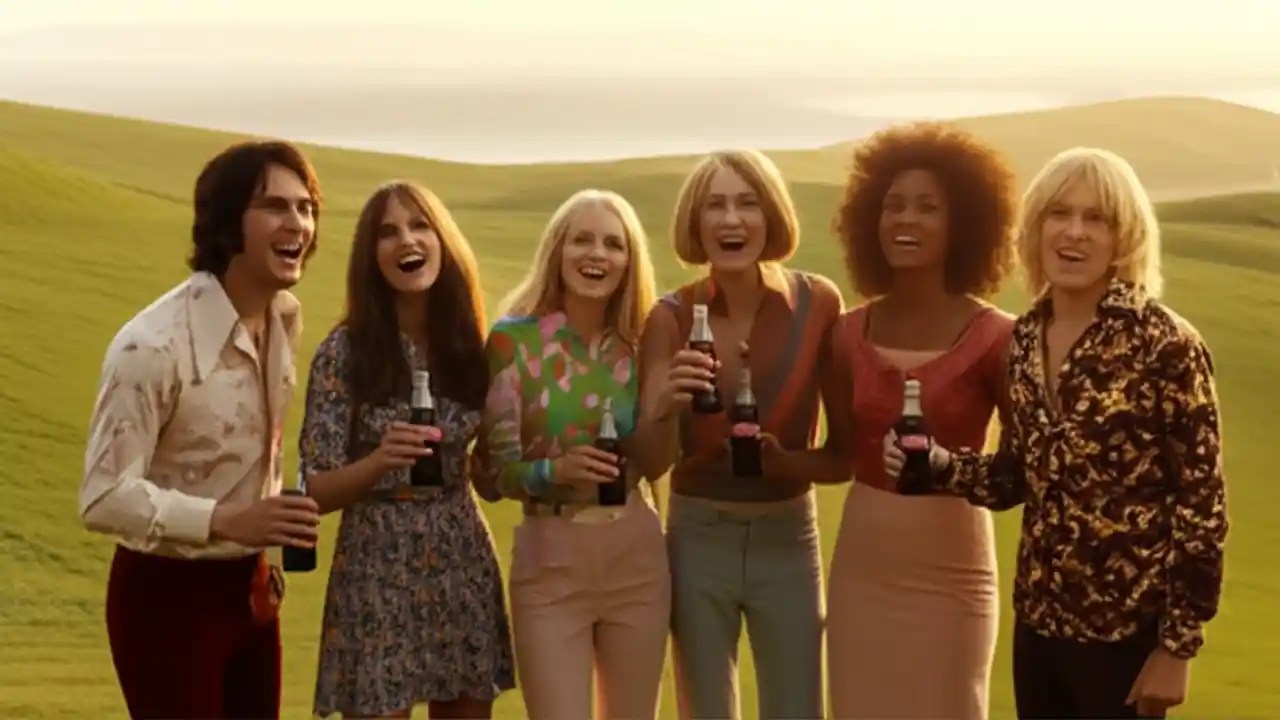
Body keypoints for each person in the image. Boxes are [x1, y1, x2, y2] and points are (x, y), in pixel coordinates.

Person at [883, 146, 1229, 719]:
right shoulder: (1023, 340)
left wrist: (1177, 647)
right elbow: (1018, 476)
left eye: (1097, 219)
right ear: (1035, 227)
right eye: (1059, 214)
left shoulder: (1165, 344)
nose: (1074, 233)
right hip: (1039, 628)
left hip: (1127, 640)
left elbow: (1202, 506)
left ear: (1126, 237)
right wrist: (940, 463)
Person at [79, 140, 325, 719]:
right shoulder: (150, 347)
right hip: (167, 598)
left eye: (305, 206)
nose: (298, 223)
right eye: (274, 206)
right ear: (225, 222)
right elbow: (102, 496)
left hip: (254, 591)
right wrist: (226, 519)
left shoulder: (284, 316)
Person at [821, 121, 1020, 719]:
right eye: (892, 206)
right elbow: (837, 455)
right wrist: (762, 459)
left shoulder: (998, 338)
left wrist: (944, 466)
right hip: (862, 572)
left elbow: (1019, 470)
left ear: (963, 223)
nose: (905, 220)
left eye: (927, 207)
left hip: (953, 575)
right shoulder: (847, 333)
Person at [638, 149, 845, 720]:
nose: (732, 220)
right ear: (695, 224)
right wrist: (659, 408)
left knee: (798, 708)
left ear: (771, 214)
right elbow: (650, 463)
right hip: (697, 535)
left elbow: (843, 457)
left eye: (748, 203)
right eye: (716, 206)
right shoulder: (670, 317)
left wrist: (785, 464)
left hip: (788, 537)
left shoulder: (819, 303)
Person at [298, 181, 516, 719]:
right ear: (370, 258)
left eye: (420, 226)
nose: (406, 241)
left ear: (443, 241)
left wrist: (494, 471)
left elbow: (486, 480)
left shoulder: (469, 345)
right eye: (388, 232)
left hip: (460, 554)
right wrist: (379, 462)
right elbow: (317, 490)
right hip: (377, 565)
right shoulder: (344, 352)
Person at [474, 189, 677, 720]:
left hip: (636, 557)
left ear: (629, 261)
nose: (597, 254)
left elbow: (657, 459)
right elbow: (494, 475)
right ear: (557, 251)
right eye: (582, 239)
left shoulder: (641, 345)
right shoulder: (512, 343)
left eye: (613, 244)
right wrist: (552, 471)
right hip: (550, 564)